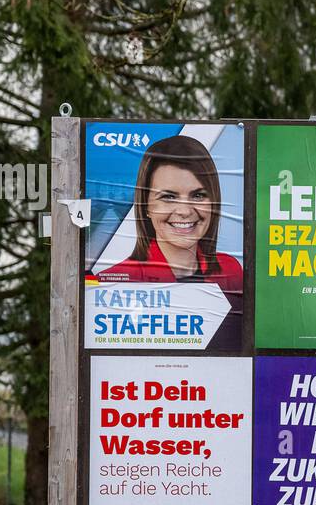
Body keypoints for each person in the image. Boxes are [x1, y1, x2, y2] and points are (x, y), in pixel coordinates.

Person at [97, 134, 243, 347]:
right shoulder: (114, 283)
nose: (184, 211)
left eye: (198, 195)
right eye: (169, 196)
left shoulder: (231, 271)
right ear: (146, 205)